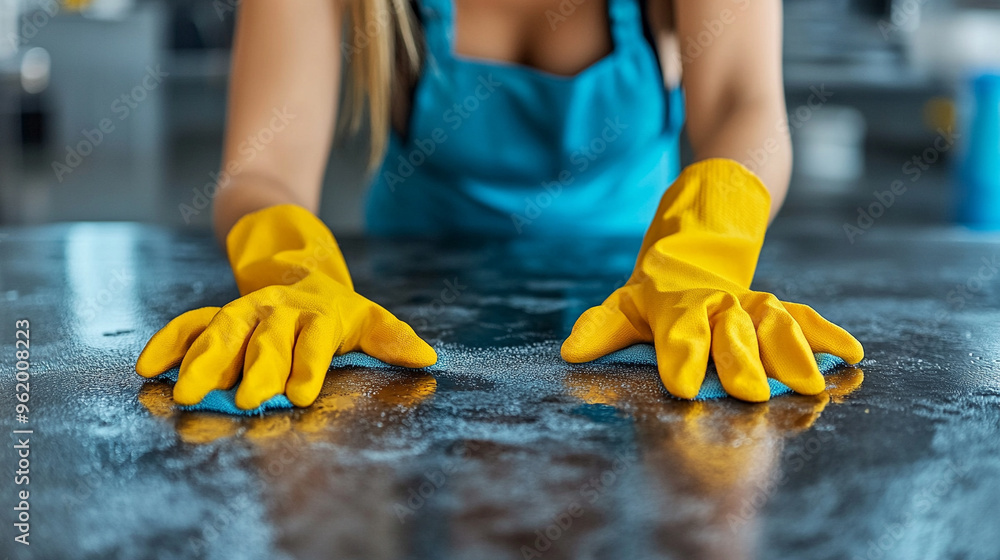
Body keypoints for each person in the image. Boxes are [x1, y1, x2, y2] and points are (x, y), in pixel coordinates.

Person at [135, 0, 864, 410]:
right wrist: (295, 275)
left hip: (655, 311)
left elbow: (744, 102)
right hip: (402, 327)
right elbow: (263, 165)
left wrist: (707, 247)